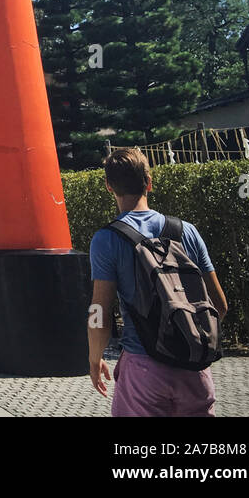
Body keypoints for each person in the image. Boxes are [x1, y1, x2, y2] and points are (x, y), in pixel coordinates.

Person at [88, 148, 227, 417]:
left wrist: (95, 359)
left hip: (143, 368)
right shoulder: (187, 231)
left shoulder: (106, 240)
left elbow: (99, 312)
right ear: (149, 182)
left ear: (109, 187)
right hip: (195, 372)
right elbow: (219, 305)